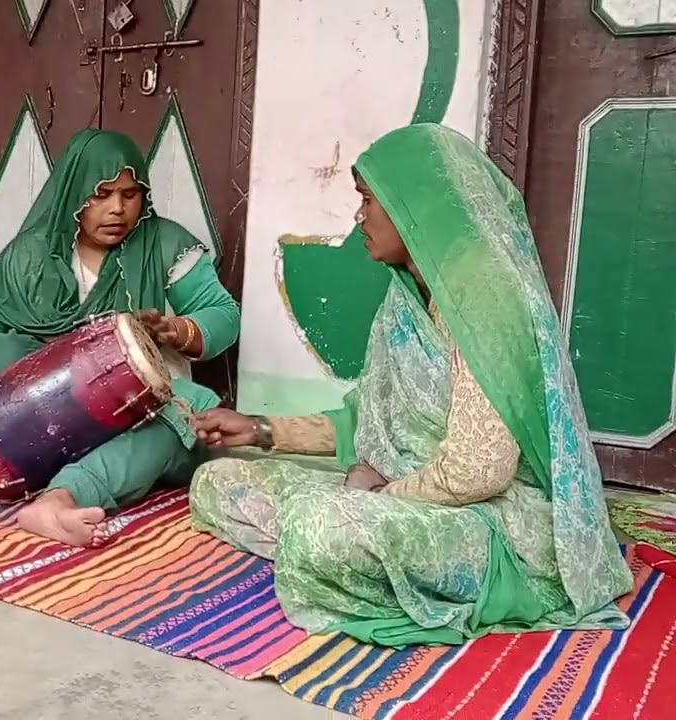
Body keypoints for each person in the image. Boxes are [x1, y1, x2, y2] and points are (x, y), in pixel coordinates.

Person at [186, 123, 631, 646]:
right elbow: (371, 422)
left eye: (369, 200)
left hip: (494, 523)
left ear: (411, 204)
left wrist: (378, 496)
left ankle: (354, 551)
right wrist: (260, 429)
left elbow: (478, 472)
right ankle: (358, 549)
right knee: (215, 484)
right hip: (400, 492)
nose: (360, 217)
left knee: (318, 528)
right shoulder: (408, 294)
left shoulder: (482, 298)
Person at [0, 128, 240, 547]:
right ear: (75, 192)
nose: (117, 209)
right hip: (59, 402)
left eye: (130, 195)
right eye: (101, 195)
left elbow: (224, 315)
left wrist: (178, 330)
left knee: (179, 429)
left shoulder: (164, 243)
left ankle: (63, 496)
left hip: (143, 405)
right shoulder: (34, 252)